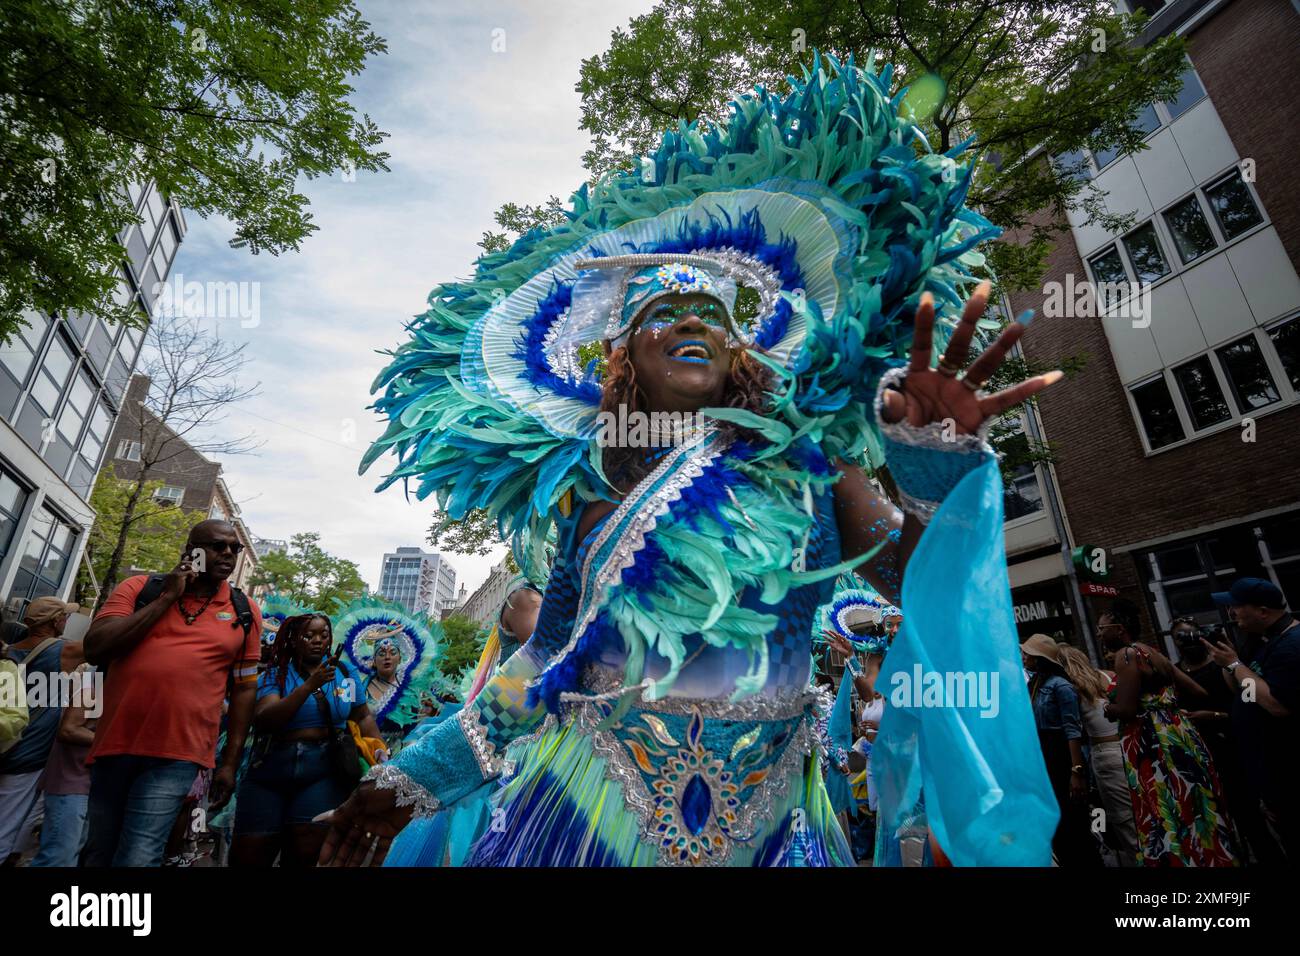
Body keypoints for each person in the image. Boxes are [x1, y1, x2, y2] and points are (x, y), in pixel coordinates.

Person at [326, 55, 1060, 868]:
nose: (694, 324)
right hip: (585, 816)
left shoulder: (802, 466)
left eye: (713, 316)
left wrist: (928, 461)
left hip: (775, 825)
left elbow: (920, 583)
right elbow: (542, 664)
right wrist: (410, 778)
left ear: (738, 350)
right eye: (663, 314)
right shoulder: (592, 494)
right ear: (623, 360)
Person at [81, 519, 262, 867]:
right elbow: (95, 647)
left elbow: (245, 689)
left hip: (180, 752)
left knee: (139, 854)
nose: (227, 554)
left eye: (234, 548)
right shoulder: (140, 588)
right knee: (98, 851)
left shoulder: (244, 610)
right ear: (190, 551)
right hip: (116, 743)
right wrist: (166, 599)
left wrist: (230, 763)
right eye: (216, 546)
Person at [232, 613, 384, 866]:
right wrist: (309, 686)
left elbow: (363, 717)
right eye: (309, 635)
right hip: (272, 767)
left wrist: (379, 751)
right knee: (251, 849)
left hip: (324, 768)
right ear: (293, 640)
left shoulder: (345, 673)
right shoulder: (276, 674)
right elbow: (265, 719)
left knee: (306, 850)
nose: (318, 641)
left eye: (323, 635)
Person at [1099, 599, 1237, 866]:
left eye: (1102, 627)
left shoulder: (1126, 655)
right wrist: (1168, 706)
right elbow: (1198, 692)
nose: (1099, 633)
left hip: (1152, 740)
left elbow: (1126, 710)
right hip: (1178, 733)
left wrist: (1108, 707)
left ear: (1120, 628)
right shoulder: (1154, 652)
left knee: (1167, 805)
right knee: (1192, 800)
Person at [1203, 577, 1300, 862]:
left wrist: (1235, 664)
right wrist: (1228, 660)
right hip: (1271, 775)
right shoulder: (1260, 640)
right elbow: (1243, 692)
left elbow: (1276, 705)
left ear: (1262, 611)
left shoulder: (1291, 646)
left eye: (1237, 606)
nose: (1231, 613)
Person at [0, 597, 84, 866]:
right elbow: (107, 644)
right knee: (6, 827)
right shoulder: (63, 651)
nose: (67, 621)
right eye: (65, 616)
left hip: (5, 743)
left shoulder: (7, 652)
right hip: (30, 753)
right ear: (56, 621)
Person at [1021, 635, 1100, 867]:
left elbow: (1072, 729)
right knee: (1052, 819)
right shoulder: (1033, 684)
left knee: (1071, 819)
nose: (1024, 656)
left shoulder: (1061, 686)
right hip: (1042, 753)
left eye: (1029, 653)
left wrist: (1076, 771)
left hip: (1061, 754)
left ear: (1040, 659)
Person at [1057, 644, 1138, 866]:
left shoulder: (1071, 689)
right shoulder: (1109, 675)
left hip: (1105, 755)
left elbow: (1073, 730)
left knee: (1124, 820)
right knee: (1143, 811)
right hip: (1131, 747)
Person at [30, 663, 97, 867]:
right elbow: (68, 730)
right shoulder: (96, 686)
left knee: (68, 855)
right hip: (70, 784)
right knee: (58, 857)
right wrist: (110, 741)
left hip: (83, 785)